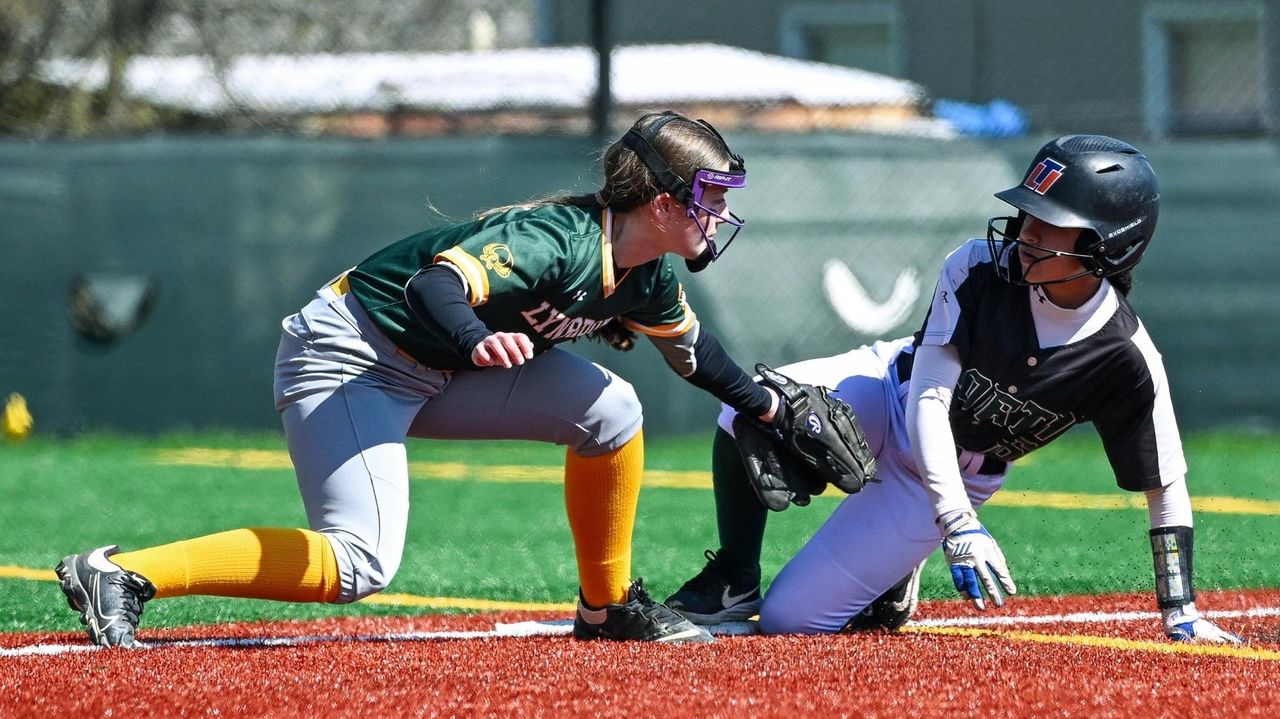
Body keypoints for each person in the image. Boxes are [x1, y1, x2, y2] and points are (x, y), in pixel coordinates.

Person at [54, 110, 786, 647]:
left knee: (613, 411)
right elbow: (433, 288)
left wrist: (769, 410)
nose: (720, 214)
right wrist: (477, 336)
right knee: (359, 561)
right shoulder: (555, 242)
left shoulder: (646, 274)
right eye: (712, 195)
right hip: (350, 354)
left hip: (440, 366)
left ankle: (606, 609)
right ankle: (122, 572)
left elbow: (696, 355)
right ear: (661, 200)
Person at [666, 134, 1243, 643]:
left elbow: (1164, 485)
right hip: (886, 392)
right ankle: (734, 579)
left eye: (1051, 226)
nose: (1025, 236)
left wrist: (1181, 611)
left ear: (1109, 246)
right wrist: (958, 522)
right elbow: (929, 398)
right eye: (1026, 217)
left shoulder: (1125, 356)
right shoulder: (977, 267)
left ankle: (892, 578)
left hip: (952, 472)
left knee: (794, 621)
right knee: (754, 404)